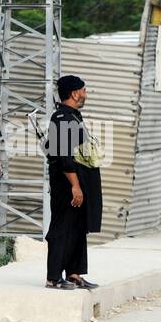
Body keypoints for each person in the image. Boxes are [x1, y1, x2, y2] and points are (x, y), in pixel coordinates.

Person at [44, 75, 103, 290]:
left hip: (79, 180)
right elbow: (64, 157)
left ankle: (74, 274)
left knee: (78, 227)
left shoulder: (73, 116)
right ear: (75, 93)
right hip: (67, 183)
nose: (86, 94)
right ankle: (53, 277)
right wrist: (75, 186)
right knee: (62, 227)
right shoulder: (62, 118)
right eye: (84, 90)